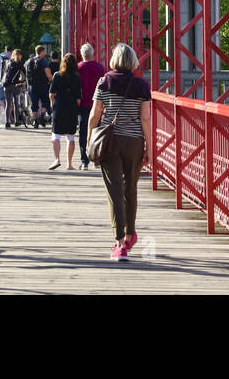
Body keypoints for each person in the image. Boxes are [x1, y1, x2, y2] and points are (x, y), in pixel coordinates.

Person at [88, 42, 151, 261]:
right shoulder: (142, 85)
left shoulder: (104, 81)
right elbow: (145, 119)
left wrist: (89, 140)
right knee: (130, 188)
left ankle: (120, 243)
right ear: (133, 61)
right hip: (134, 142)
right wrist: (149, 148)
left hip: (110, 142)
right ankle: (130, 234)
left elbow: (95, 114)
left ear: (114, 60)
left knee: (114, 191)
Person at [46, 53, 81, 169]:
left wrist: (52, 104)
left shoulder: (57, 75)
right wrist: (75, 108)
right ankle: (69, 164)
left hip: (59, 107)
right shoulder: (76, 78)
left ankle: (57, 159)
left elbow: (51, 94)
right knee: (70, 137)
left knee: (55, 135)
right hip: (71, 109)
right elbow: (78, 98)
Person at [75, 43, 106, 170]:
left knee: (83, 132)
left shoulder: (78, 68)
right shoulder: (100, 68)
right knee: (97, 131)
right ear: (93, 54)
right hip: (97, 104)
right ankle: (96, 159)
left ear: (82, 55)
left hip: (82, 104)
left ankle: (84, 161)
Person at [25, 45, 53, 126]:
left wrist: (28, 85)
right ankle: (41, 116)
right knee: (46, 102)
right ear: (42, 52)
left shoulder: (30, 61)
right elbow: (48, 75)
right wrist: (51, 81)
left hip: (33, 85)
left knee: (34, 104)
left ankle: (36, 122)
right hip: (43, 85)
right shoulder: (43, 61)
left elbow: (27, 74)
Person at [2, 47, 26, 127]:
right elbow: (24, 75)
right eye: (21, 55)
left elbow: (5, 73)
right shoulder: (19, 64)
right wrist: (20, 81)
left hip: (6, 85)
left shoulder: (9, 62)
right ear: (19, 55)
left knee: (8, 104)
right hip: (14, 85)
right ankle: (16, 121)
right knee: (16, 103)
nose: (21, 56)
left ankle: (7, 122)